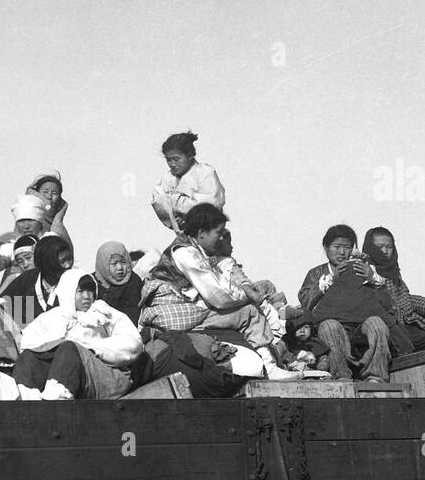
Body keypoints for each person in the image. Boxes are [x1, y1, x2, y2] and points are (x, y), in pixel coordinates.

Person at [151, 203, 296, 379]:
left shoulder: (196, 250)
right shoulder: (186, 253)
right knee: (249, 312)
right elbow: (218, 296)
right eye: (218, 233)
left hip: (185, 308)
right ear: (201, 232)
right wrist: (248, 295)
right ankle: (270, 367)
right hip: (174, 314)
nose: (221, 239)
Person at [12, 273, 144, 400]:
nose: (87, 296)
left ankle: (58, 400)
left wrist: (91, 349)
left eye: (91, 291)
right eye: (80, 291)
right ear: (67, 292)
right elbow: (28, 342)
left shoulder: (104, 313)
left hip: (102, 376)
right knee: (28, 356)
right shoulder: (53, 317)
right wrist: (54, 344)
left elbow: (133, 343)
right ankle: (27, 400)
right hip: (59, 372)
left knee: (69, 348)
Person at [299, 224, 397, 382]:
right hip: (333, 330)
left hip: (359, 328)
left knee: (377, 323)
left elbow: (389, 304)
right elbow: (305, 302)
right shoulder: (317, 273)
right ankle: (342, 377)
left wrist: (372, 278)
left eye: (347, 247)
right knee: (329, 326)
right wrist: (331, 279)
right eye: (337, 247)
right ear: (326, 247)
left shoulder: (362, 269)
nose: (342, 252)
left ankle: (375, 378)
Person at [361, 226, 425, 351]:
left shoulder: (393, 271)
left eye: (389, 247)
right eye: (379, 247)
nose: (385, 251)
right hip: (381, 324)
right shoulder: (364, 269)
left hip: (403, 320)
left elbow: (402, 296)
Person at [151, 130, 226, 232]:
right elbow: (159, 202)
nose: (172, 164)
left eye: (176, 159)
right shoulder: (168, 177)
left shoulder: (205, 172)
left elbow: (209, 205)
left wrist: (174, 201)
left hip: (209, 232)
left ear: (190, 155)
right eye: (169, 160)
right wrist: (175, 217)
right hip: (183, 232)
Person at [0, 234, 74, 326]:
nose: (68, 265)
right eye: (62, 262)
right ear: (48, 261)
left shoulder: (75, 281)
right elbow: (1, 305)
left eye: (69, 259)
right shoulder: (27, 279)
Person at [0, 195, 49, 271]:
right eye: (21, 221)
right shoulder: (12, 244)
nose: (26, 226)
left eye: (30, 220)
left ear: (40, 222)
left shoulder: (51, 240)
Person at [94, 241, 143, 324]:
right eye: (114, 263)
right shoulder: (92, 281)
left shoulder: (133, 281)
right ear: (103, 265)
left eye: (123, 262)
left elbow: (132, 314)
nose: (120, 267)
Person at [28, 171, 72, 253]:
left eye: (54, 193)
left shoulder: (57, 225)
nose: (49, 196)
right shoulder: (27, 220)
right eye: (45, 192)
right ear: (36, 194)